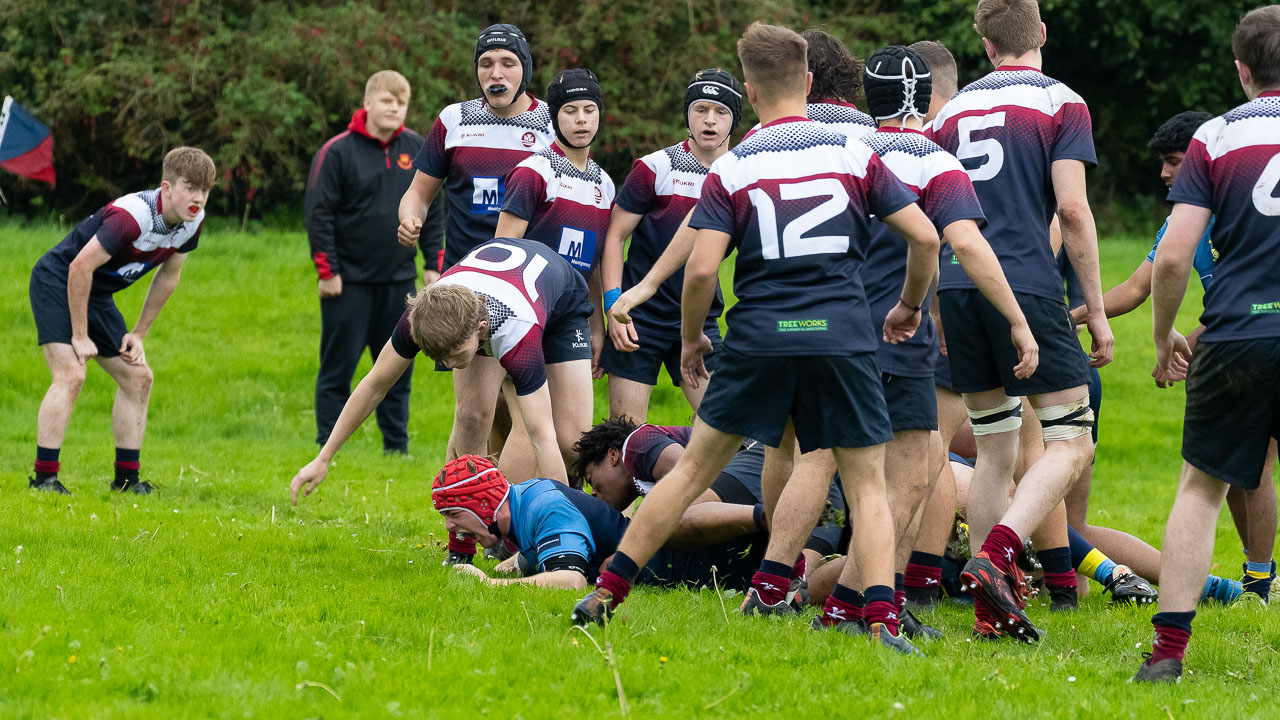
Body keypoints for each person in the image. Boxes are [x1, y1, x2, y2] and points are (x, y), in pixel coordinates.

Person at [571, 23, 941, 658]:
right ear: (807, 82)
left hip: (759, 338)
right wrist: (908, 306)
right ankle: (880, 621)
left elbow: (703, 270)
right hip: (843, 339)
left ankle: (605, 592)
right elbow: (927, 238)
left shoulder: (736, 164)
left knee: (690, 472)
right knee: (868, 484)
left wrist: (690, 342)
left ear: (747, 89)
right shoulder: (856, 154)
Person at [929, 0, 1114, 642]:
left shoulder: (949, 112)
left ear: (984, 44)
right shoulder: (1062, 102)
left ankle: (989, 613)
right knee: (1071, 439)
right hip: (1026, 284)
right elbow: (1073, 209)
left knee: (996, 447)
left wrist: (932, 302)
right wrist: (1095, 312)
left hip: (956, 281)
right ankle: (1000, 552)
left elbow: (929, 218)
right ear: (1040, 33)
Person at [1068, 110, 1278, 603]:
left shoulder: (1236, 213)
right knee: (1237, 468)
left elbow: (1248, 305)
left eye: (1173, 161)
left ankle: (1260, 580)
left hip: (1252, 337)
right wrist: (1077, 316)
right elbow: (1139, 286)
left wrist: (1184, 341)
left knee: (1256, 464)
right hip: (1241, 336)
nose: (1165, 173)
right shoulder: (1183, 221)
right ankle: (1258, 580)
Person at [1135, 5, 1280, 684]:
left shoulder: (1217, 137)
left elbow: (1172, 259)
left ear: (1241, 69)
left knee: (1200, 490)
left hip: (1236, 332)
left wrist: (1165, 337)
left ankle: (1167, 658)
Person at [290, 239, 594, 515]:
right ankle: (472, 526)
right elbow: (374, 385)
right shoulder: (420, 318)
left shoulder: (517, 331)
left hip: (560, 306)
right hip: (491, 295)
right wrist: (324, 457)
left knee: (570, 443)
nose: (448, 364)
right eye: (438, 356)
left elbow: (541, 432)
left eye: (454, 352)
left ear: (479, 330)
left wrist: (561, 524)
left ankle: (549, 517)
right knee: (472, 415)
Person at [28, 147, 216, 496]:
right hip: (57, 282)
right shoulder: (132, 217)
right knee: (71, 374)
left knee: (138, 377)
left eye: (205, 190)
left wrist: (139, 333)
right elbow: (79, 268)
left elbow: (168, 278)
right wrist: (80, 335)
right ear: (167, 187)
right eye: (190, 187)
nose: (198, 198)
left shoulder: (191, 225)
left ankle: (127, 481)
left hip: (94, 294)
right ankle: (44, 480)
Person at [306, 70, 446, 455]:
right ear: (367, 103)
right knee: (340, 368)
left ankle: (396, 447)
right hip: (347, 282)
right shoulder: (337, 152)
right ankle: (327, 444)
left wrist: (432, 264)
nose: (395, 108)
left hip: (399, 281)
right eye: (387, 100)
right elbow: (319, 214)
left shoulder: (418, 148)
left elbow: (433, 210)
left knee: (397, 369)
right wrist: (327, 271)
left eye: (401, 102)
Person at [598, 69, 742, 421]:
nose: (709, 121)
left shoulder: (743, 174)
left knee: (723, 429)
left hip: (700, 317)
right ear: (686, 114)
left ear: (734, 120)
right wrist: (613, 307)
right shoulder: (654, 168)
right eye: (700, 109)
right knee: (624, 439)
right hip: (638, 319)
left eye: (721, 112)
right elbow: (614, 237)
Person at [434, 455, 770, 591]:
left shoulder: (545, 508)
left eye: (453, 514)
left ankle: (775, 519)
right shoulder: (526, 497)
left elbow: (570, 580)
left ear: (483, 504)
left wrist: (490, 585)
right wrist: (503, 569)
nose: (450, 527)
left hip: (691, 567)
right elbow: (536, 553)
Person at [398, 24, 553, 274]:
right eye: (486, 63)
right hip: (462, 276)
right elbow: (417, 193)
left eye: (508, 63)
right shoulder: (454, 118)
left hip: (530, 279)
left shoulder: (553, 123)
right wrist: (409, 218)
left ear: (526, 69)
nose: (496, 73)